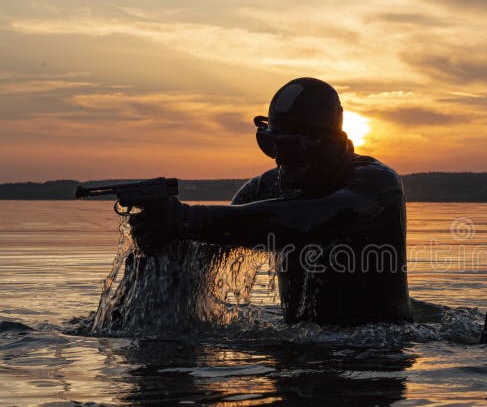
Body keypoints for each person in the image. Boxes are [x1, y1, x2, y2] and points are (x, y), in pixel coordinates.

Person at [129, 77, 411, 325]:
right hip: (296, 358)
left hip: (374, 357)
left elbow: (309, 220)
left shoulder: (376, 185)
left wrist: (187, 219)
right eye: (271, 146)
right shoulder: (266, 188)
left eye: (291, 149)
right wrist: (163, 246)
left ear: (327, 143)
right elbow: (203, 252)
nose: (279, 160)